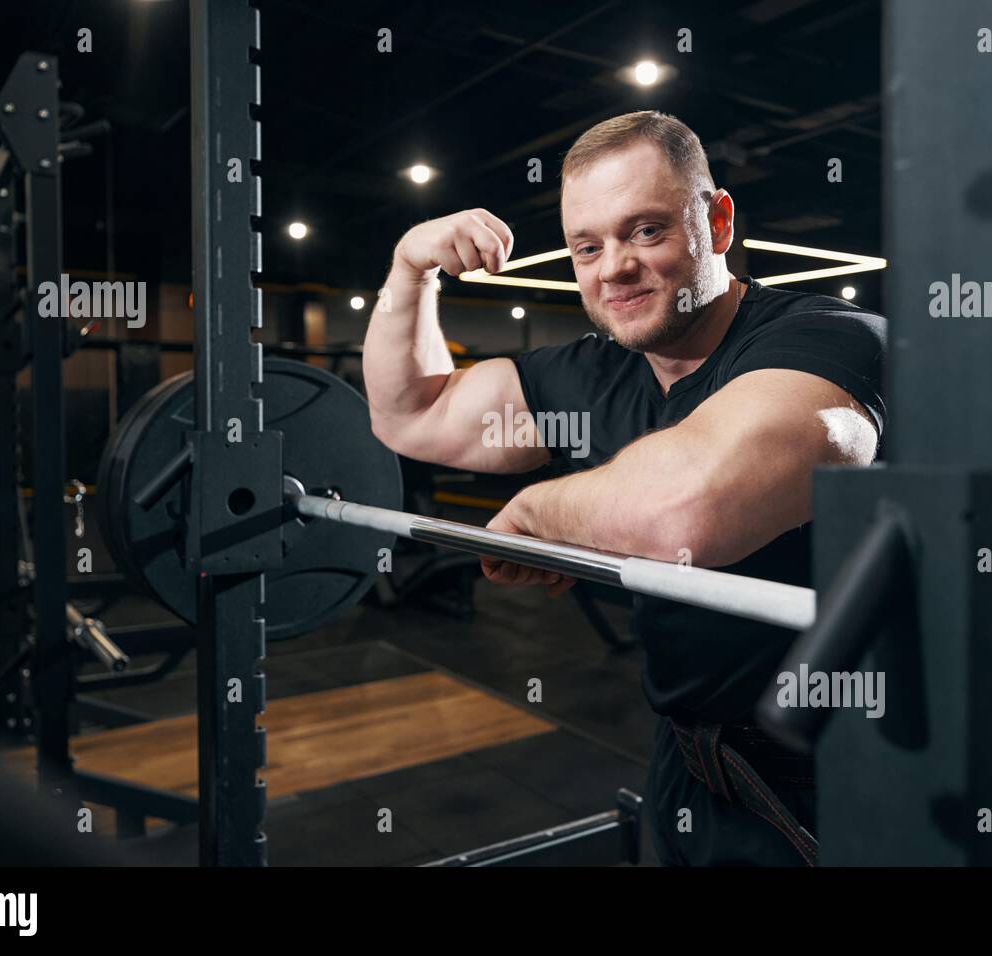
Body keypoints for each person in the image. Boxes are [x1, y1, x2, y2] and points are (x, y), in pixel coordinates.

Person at [361, 110, 886, 865]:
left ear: (718, 221)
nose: (614, 267)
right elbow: (411, 414)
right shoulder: (593, 374)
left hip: (850, 780)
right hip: (692, 765)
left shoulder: (827, 341)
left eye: (646, 231)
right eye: (588, 246)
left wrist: (546, 508)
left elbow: (692, 506)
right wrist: (411, 268)